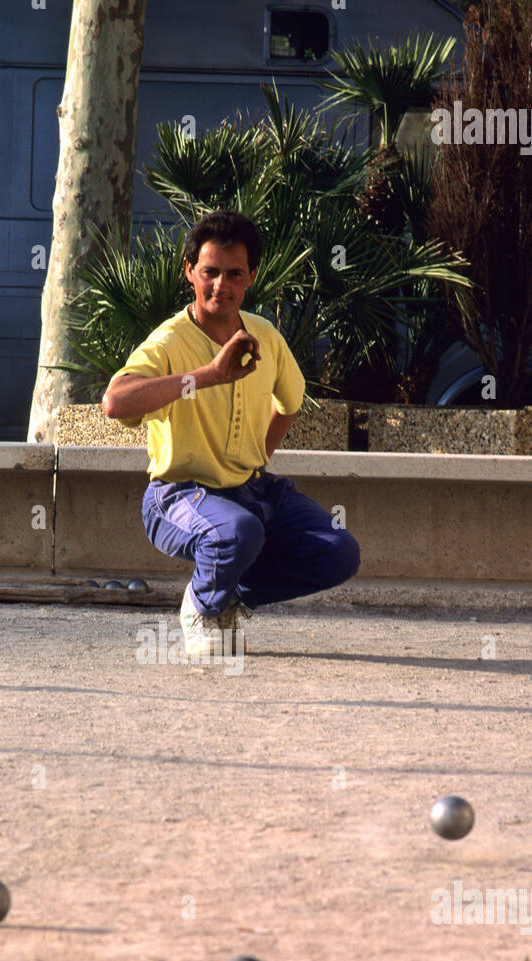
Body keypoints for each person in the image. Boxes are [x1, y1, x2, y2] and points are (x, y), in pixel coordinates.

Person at [101, 210, 360, 658]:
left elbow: (291, 402)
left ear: (251, 277)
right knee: (236, 532)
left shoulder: (265, 335)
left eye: (234, 273)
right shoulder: (168, 342)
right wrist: (206, 376)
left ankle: (230, 596)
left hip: (253, 491)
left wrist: (259, 454)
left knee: (339, 550)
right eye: (210, 272)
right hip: (176, 498)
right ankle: (201, 605)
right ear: (190, 273)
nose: (220, 285)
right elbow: (115, 403)